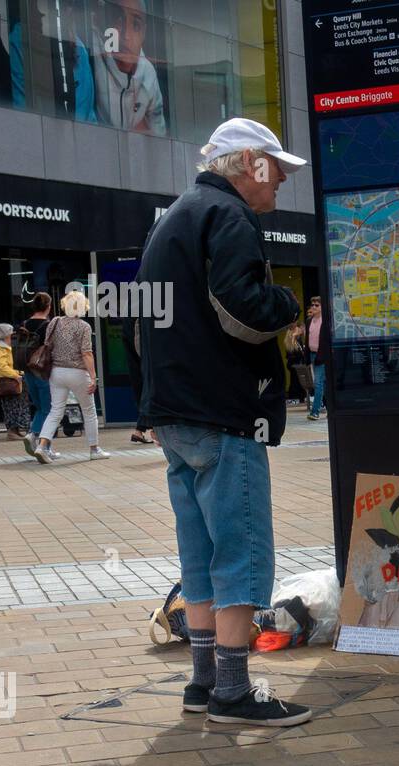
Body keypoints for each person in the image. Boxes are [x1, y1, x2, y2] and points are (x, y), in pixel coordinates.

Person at [137, 117, 311, 727]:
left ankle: (203, 682)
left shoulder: (175, 217)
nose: (281, 184)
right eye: (277, 171)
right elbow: (243, 310)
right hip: (222, 412)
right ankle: (234, 694)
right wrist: (287, 306)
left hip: (175, 413)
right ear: (248, 164)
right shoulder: (228, 217)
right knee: (240, 552)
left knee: (201, 554)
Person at [32, 290, 110, 463]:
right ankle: (94, 449)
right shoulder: (84, 326)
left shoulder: (55, 322)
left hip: (57, 372)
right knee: (89, 411)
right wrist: (93, 375)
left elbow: (48, 345)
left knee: (55, 411)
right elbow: (87, 353)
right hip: (78, 373)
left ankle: (42, 445)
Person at [92, 0, 166, 136]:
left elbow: (159, 137)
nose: (126, 35)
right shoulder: (93, 53)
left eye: (136, 25)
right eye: (118, 21)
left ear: (144, 33)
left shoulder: (148, 75)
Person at [18, 292, 57, 459]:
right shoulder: (49, 325)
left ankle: (37, 439)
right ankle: (37, 439)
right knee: (49, 410)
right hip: (42, 370)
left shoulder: (24, 323)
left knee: (40, 408)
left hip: (27, 370)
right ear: (48, 306)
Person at [0, 323, 29, 440]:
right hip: (7, 381)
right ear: (6, 335)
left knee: (20, 406)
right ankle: (11, 431)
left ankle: (16, 430)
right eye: (12, 334)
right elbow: (2, 367)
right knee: (11, 406)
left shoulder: (12, 347)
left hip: (18, 380)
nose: (14, 336)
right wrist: (16, 375)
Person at [121, 315, 154, 444]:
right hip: (141, 348)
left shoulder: (130, 307)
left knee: (139, 383)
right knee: (148, 384)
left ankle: (141, 429)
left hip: (132, 336)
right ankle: (142, 428)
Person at [306, 297, 326, 420]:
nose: (313, 307)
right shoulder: (309, 321)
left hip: (322, 355)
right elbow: (307, 339)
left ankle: (315, 412)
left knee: (318, 383)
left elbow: (325, 341)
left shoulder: (325, 321)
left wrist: (321, 355)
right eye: (312, 304)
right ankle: (330, 407)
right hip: (312, 354)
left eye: (316, 305)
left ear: (322, 307)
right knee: (323, 383)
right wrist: (307, 356)